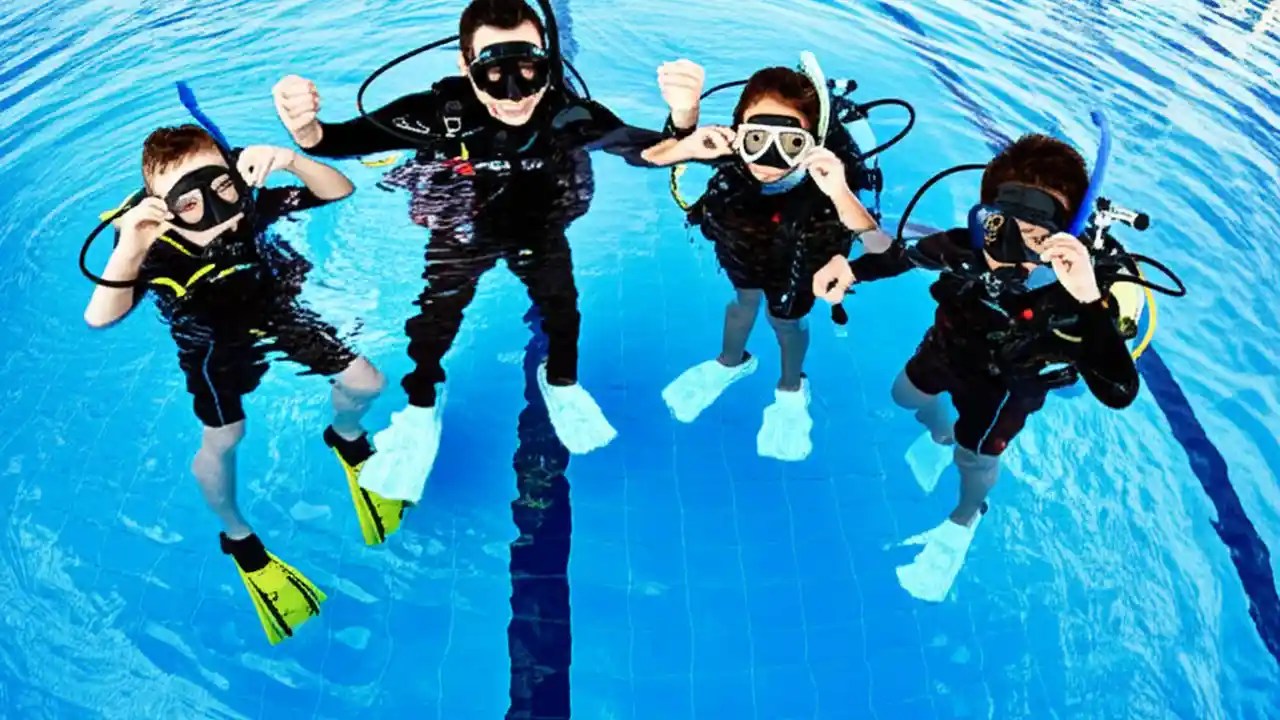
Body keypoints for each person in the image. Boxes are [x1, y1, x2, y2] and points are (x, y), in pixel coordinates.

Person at [271, 0, 711, 504]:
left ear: (547, 60)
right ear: (465, 66)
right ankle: (420, 402)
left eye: (529, 72)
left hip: (540, 227)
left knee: (562, 311)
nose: (514, 95)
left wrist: (684, 117)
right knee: (436, 317)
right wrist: (303, 127)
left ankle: (562, 382)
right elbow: (337, 142)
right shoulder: (437, 114)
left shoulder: (568, 114)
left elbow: (648, 153)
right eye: (493, 74)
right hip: (461, 228)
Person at [82, 125, 391, 644]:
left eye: (220, 187)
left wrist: (291, 160)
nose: (214, 210)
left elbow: (340, 189)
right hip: (207, 338)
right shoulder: (148, 243)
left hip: (270, 306)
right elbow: (98, 317)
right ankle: (239, 537)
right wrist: (132, 246)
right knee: (225, 438)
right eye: (190, 204)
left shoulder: (245, 202)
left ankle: (346, 435)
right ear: (161, 207)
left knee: (365, 381)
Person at [814, 133, 1140, 600]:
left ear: (1066, 238)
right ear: (983, 217)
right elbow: (904, 256)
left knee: (975, 455)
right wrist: (852, 269)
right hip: (947, 351)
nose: (1008, 250)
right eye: (998, 228)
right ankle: (941, 433)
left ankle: (963, 519)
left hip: (1005, 390)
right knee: (904, 396)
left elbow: (1119, 391)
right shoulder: (966, 247)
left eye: (1036, 239)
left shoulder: (1075, 299)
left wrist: (1088, 297)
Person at [648, 60, 892, 461]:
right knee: (743, 304)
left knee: (785, 321)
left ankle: (791, 388)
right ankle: (730, 362)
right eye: (756, 138)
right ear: (737, 132)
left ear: (811, 143)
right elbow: (652, 158)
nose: (769, 158)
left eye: (791, 144)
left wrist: (840, 192)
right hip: (744, 249)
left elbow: (880, 247)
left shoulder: (830, 183)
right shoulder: (725, 165)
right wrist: (683, 126)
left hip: (801, 260)